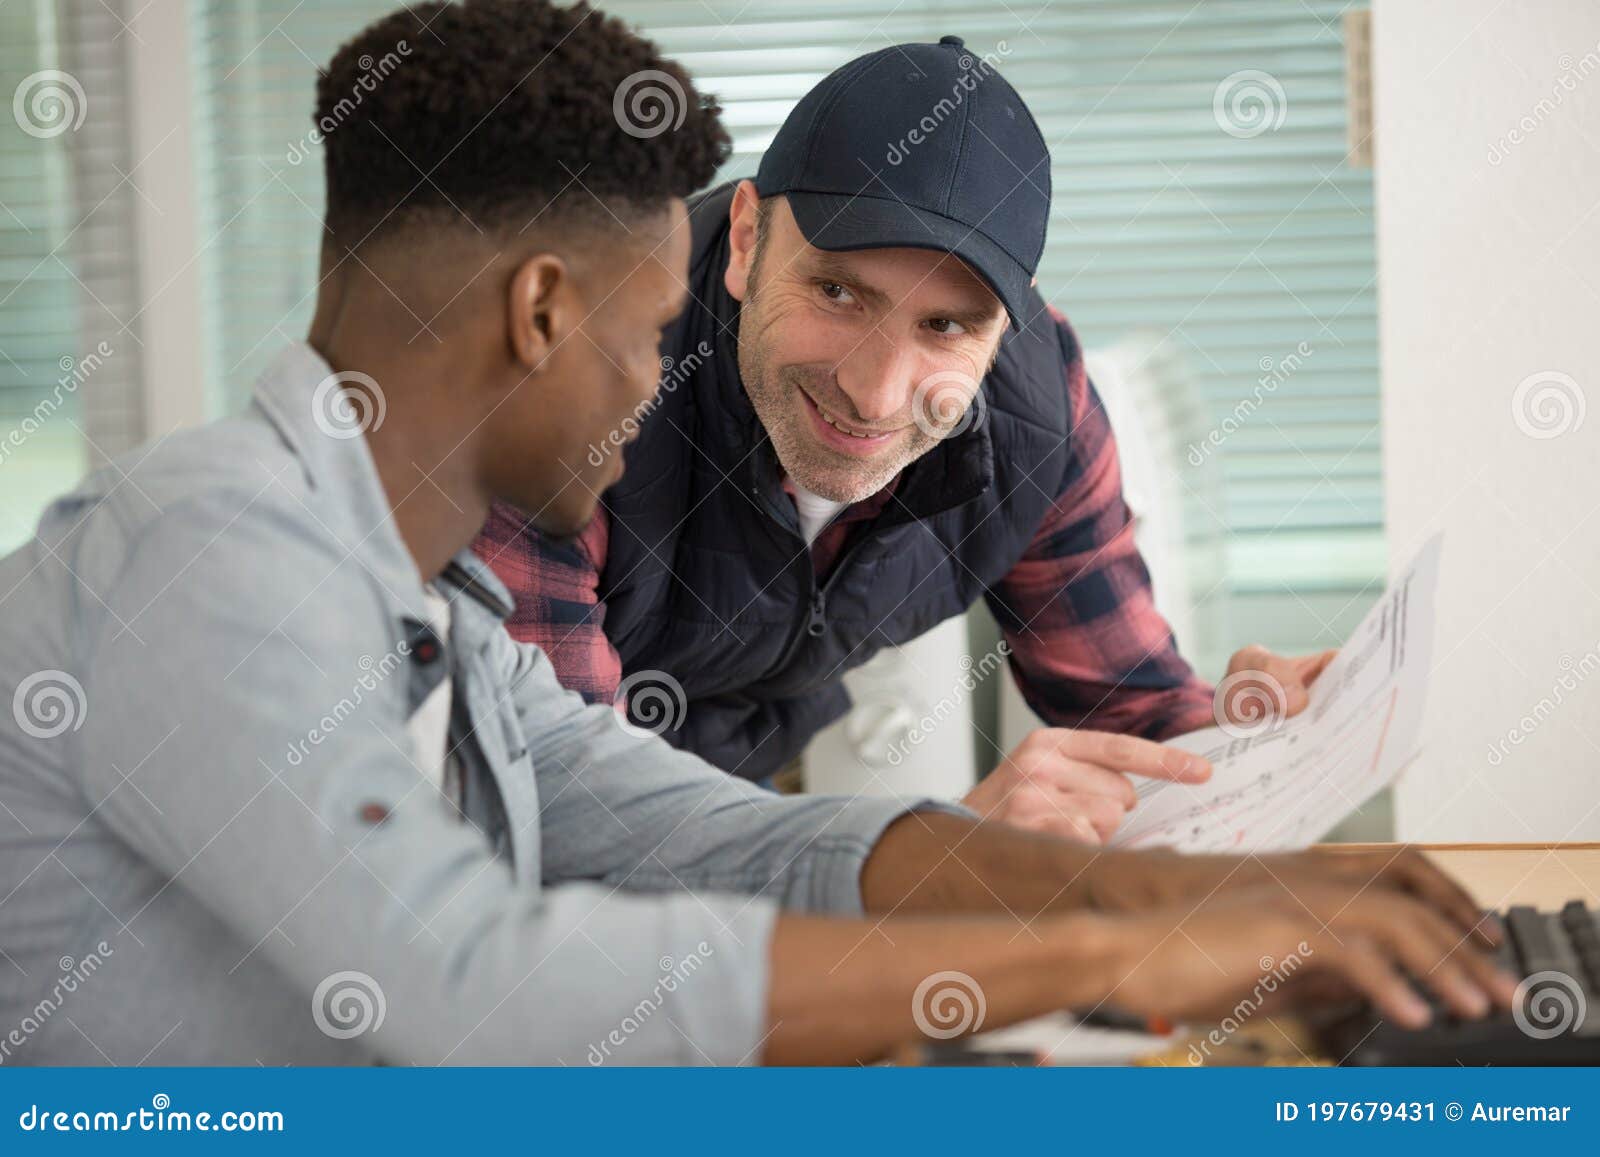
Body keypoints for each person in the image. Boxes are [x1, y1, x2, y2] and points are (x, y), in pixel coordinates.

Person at [0, 0, 1512, 1066]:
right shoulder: (210, 548)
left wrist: (1191, 896)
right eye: (658, 328)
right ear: (544, 314)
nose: (664, 376)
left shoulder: (437, 616)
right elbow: (470, 980)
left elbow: (743, 838)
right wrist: (1109, 955)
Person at [472, 33, 1339, 842]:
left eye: (946, 327)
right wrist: (923, 849)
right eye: (838, 294)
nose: (874, 392)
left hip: (734, 790)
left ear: (1004, 328)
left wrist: (1236, 739)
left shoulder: (1041, 406)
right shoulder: (575, 382)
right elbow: (561, 814)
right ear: (745, 239)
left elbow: (1130, 709)